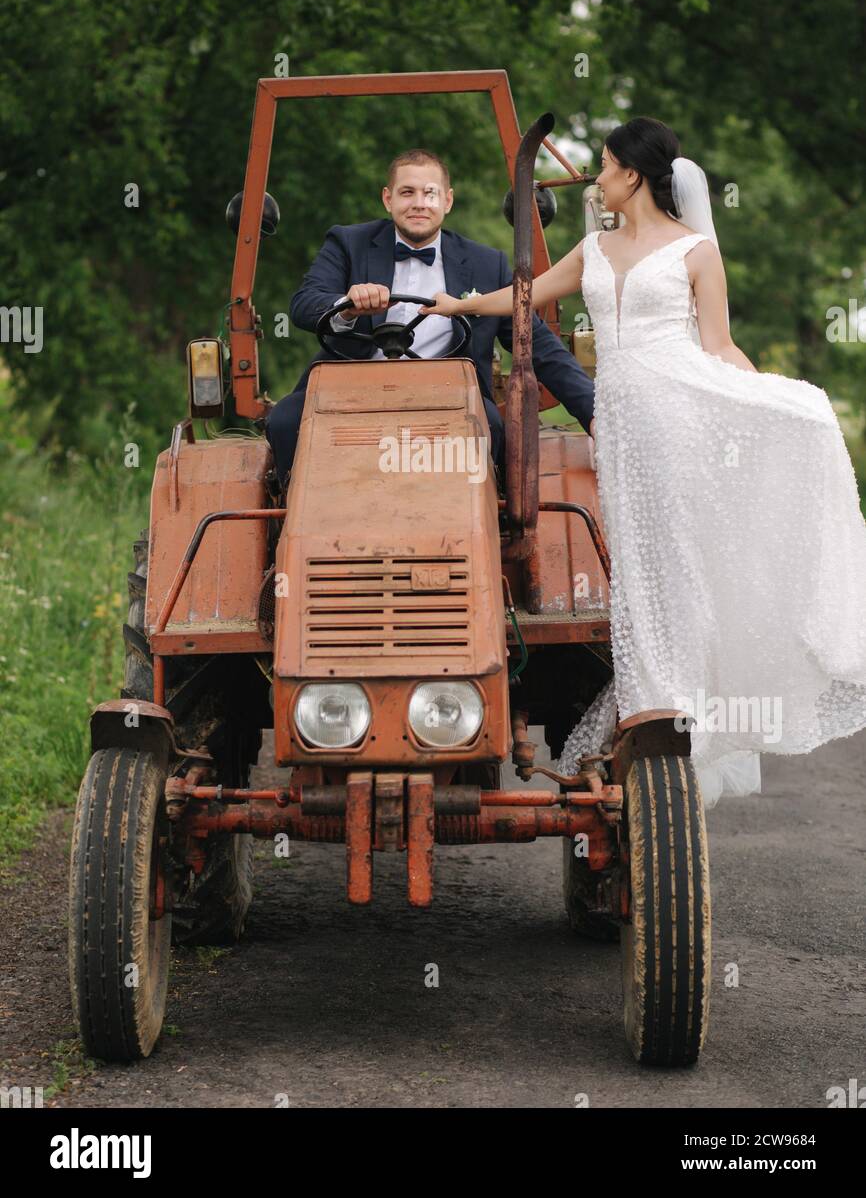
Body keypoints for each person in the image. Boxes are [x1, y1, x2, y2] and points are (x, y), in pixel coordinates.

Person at [421, 116, 866, 810]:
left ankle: (681, 702)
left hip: (679, 412)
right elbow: (526, 295)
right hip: (622, 423)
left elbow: (718, 346)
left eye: (604, 165)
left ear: (632, 175)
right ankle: (655, 694)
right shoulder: (594, 249)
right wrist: (461, 303)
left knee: (681, 551)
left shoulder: (697, 253)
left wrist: (764, 400)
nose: (596, 177)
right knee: (637, 557)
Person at [265, 148, 597, 491]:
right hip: (349, 389)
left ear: (447, 201)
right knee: (286, 420)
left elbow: (537, 343)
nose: (419, 204)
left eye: (430, 193)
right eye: (407, 192)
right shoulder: (349, 243)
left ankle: (490, 515)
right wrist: (347, 306)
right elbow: (304, 304)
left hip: (450, 398)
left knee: (491, 426)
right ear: (388, 199)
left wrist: (594, 415)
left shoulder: (486, 264)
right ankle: (294, 504)